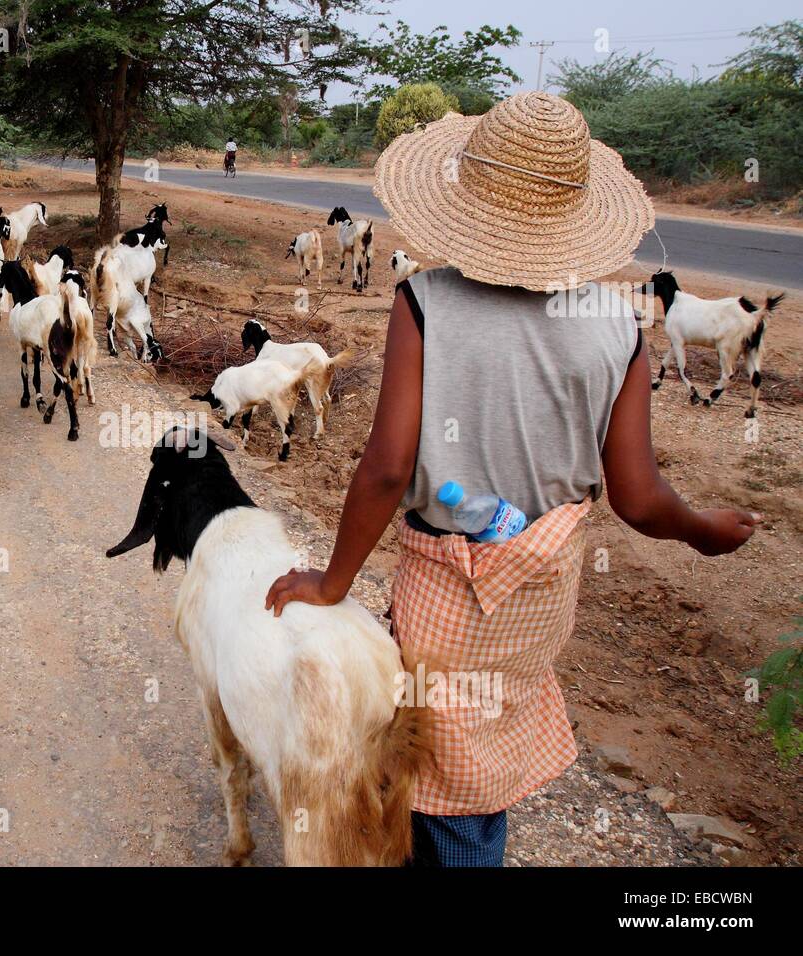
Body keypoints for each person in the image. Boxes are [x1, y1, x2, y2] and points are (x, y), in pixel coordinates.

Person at [263, 92, 758, 867]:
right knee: (475, 759)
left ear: (469, 199)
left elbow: (388, 467)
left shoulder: (424, 302)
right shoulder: (619, 324)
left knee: (442, 783)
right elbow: (637, 496)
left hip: (444, 592)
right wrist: (702, 529)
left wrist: (333, 580)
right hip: (540, 595)